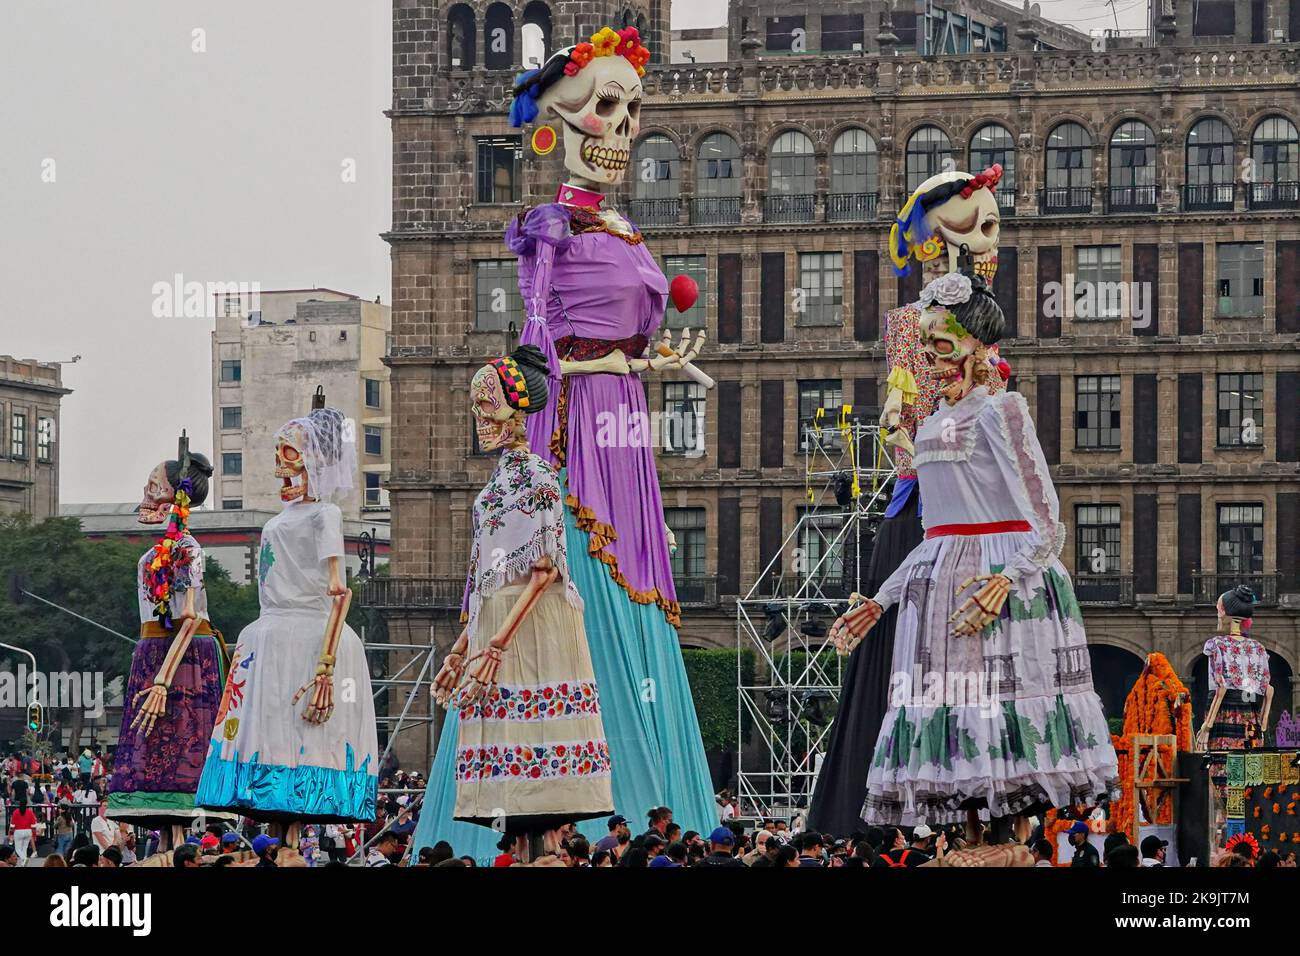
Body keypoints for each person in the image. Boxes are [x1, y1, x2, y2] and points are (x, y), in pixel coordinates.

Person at [507, 25, 716, 844]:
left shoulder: (625, 228)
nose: (623, 125)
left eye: (632, 108)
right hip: (579, 422)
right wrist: (579, 377)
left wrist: (646, 360)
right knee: (586, 565)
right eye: (605, 106)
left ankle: (656, 801)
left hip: (625, 424)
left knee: (635, 572)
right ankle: (580, 795)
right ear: (556, 123)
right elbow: (536, 343)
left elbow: (614, 325)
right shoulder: (549, 225)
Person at [831, 270, 1116, 836]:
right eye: (927, 342)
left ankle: (1008, 834)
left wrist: (1006, 579)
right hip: (941, 583)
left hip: (992, 579)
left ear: (977, 348)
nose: (933, 356)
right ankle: (968, 835)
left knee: (1001, 712)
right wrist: (882, 600)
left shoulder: (1001, 410)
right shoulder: (935, 422)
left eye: (943, 342)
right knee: (949, 715)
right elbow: (934, 532)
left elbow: (1046, 520)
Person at [196, 405, 378, 838]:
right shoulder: (279, 520)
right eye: (277, 452)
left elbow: (339, 590)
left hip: (310, 635)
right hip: (271, 634)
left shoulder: (325, 514)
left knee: (305, 736)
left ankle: (296, 834)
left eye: (290, 453)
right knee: (270, 734)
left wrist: (325, 669)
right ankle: (278, 830)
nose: (280, 463)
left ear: (313, 458)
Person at [109, 444, 227, 840]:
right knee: (155, 742)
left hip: (181, 655)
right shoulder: (157, 551)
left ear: (175, 497)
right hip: (154, 649)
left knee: (179, 739)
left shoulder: (186, 548)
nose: (146, 494)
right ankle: (163, 836)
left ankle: (178, 838)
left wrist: (162, 679)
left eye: (153, 487)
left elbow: (190, 618)